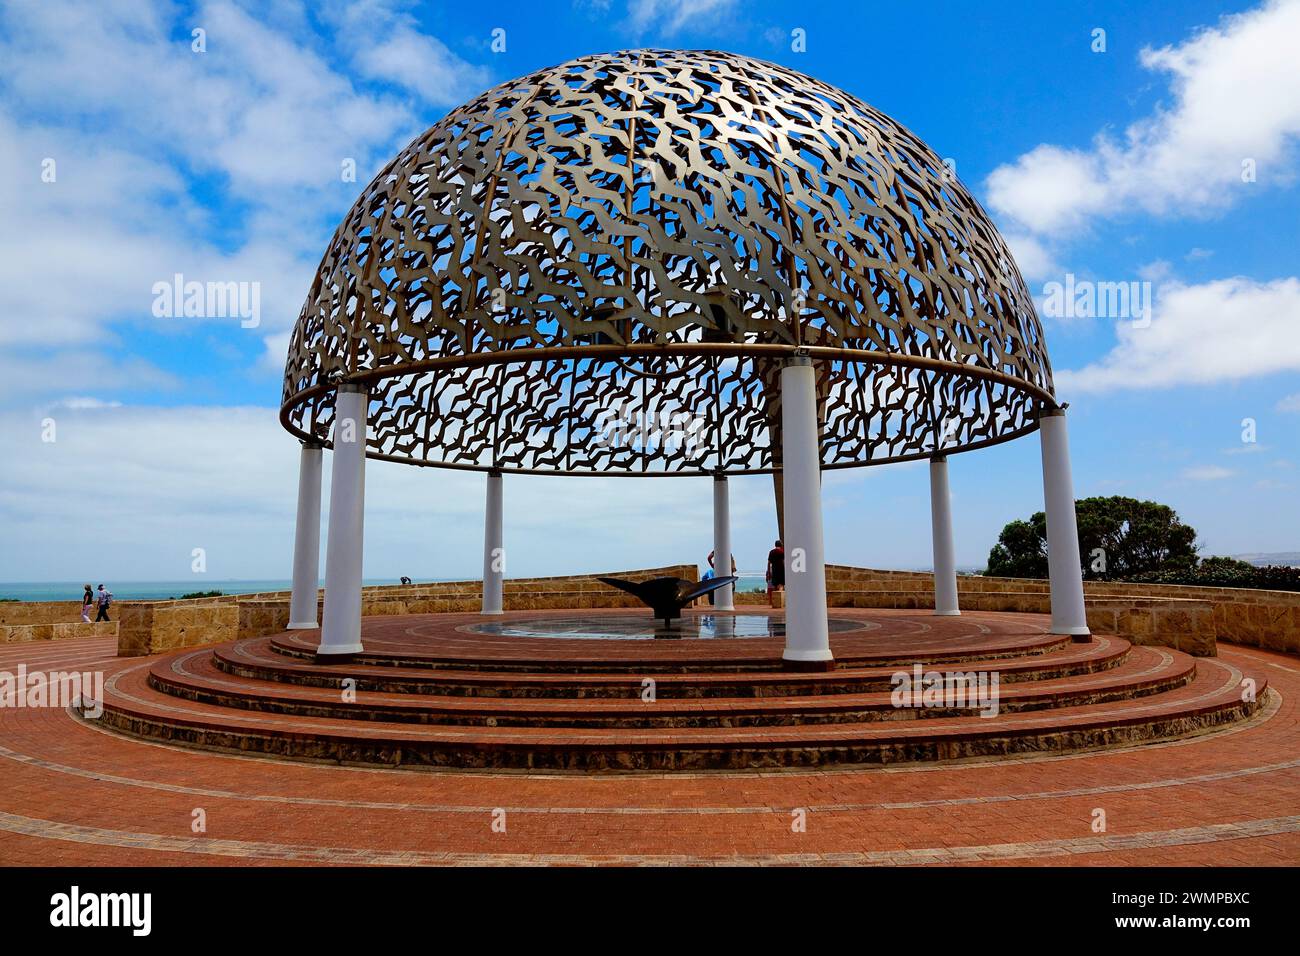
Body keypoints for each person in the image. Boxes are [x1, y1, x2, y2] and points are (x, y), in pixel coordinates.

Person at [766, 539, 785, 606]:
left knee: (775, 585)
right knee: (781, 585)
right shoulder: (782, 552)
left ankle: (775, 603)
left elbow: (769, 562)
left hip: (774, 570)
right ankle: (780, 603)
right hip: (781, 570)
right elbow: (784, 561)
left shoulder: (771, 552)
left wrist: (768, 571)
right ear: (781, 544)